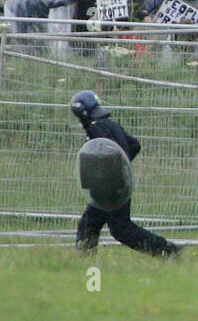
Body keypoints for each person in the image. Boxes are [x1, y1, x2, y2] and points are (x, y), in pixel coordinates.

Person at [70, 90, 180, 257]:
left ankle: (166, 250)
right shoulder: (111, 124)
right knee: (90, 222)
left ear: (81, 113)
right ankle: (85, 255)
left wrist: (110, 170)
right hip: (114, 184)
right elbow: (134, 145)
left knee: (122, 230)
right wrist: (123, 166)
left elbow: (106, 153)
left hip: (109, 187)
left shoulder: (96, 128)